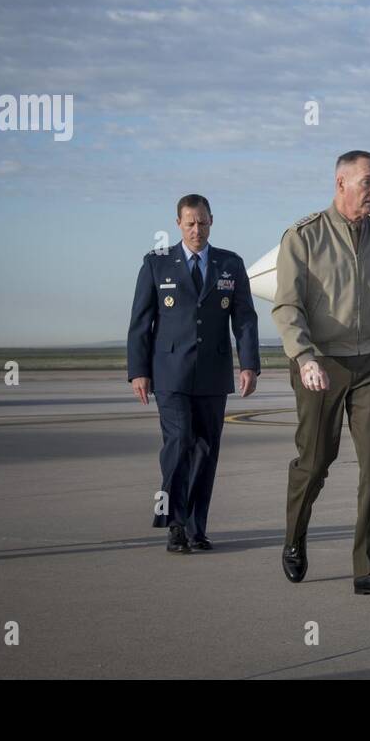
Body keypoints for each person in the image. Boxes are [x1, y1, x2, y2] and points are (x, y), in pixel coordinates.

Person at [273, 150, 370, 596]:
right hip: (322, 364)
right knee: (315, 462)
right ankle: (295, 536)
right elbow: (287, 307)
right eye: (367, 183)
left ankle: (367, 568)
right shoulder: (304, 237)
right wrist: (304, 357)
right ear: (341, 183)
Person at [127, 194, 260, 554]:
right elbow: (141, 321)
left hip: (213, 375)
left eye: (202, 222)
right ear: (178, 224)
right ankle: (174, 523)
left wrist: (248, 364)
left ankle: (196, 528)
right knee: (179, 443)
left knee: (206, 450)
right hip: (169, 374)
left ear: (211, 221)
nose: (196, 229)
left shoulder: (229, 264)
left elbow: (245, 318)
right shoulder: (157, 264)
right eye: (190, 223)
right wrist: (138, 371)